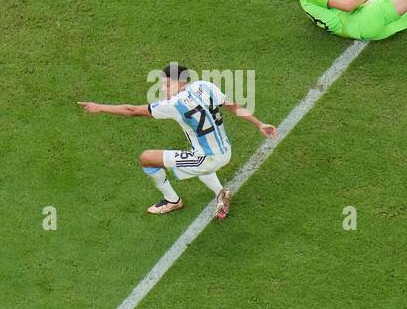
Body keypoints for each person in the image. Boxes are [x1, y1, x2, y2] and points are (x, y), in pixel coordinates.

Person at [78, 62, 277, 218]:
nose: (163, 89)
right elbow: (233, 106)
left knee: (146, 158)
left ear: (182, 83)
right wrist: (259, 124)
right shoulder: (204, 86)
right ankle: (221, 193)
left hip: (208, 160)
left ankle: (172, 200)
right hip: (225, 150)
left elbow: (131, 110)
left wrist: (100, 107)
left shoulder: (173, 104)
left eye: (167, 84)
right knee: (193, 158)